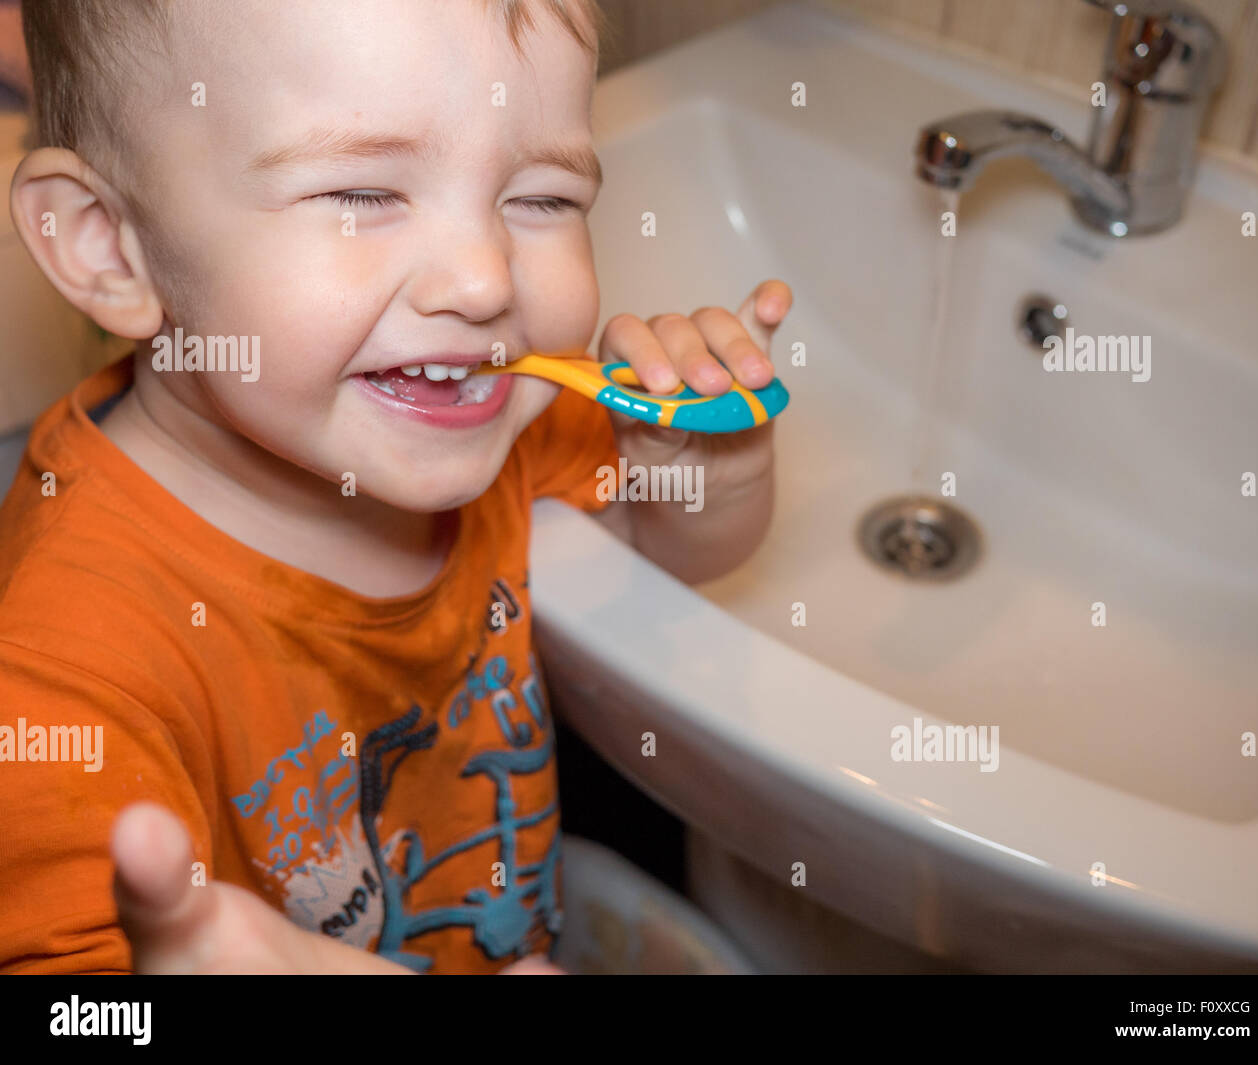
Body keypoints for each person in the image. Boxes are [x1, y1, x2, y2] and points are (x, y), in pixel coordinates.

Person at [0, 0, 791, 974]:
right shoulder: (62, 667)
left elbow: (674, 546)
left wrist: (702, 468)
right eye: (364, 192)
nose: (483, 278)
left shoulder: (475, 416)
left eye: (542, 198)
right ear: (107, 243)